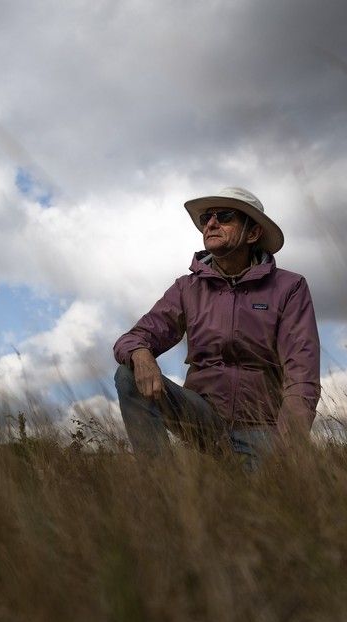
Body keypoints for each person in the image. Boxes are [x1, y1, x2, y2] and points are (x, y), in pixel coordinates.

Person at [113, 187, 320, 466]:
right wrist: (141, 353)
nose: (211, 224)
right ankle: (160, 484)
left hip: (262, 430)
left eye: (224, 216)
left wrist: (287, 450)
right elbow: (135, 337)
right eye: (205, 219)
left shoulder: (289, 287)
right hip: (203, 421)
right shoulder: (187, 288)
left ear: (253, 233)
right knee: (127, 373)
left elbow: (302, 373)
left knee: (265, 505)